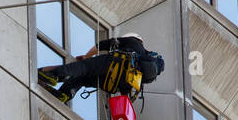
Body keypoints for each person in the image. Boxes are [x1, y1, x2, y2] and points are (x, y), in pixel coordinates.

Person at [37, 33, 165, 105]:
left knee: (84, 67)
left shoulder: (133, 42)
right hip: (113, 85)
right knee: (83, 79)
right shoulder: (143, 59)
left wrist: (87, 56)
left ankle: (54, 76)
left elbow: (103, 44)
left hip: (114, 64)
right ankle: (64, 94)